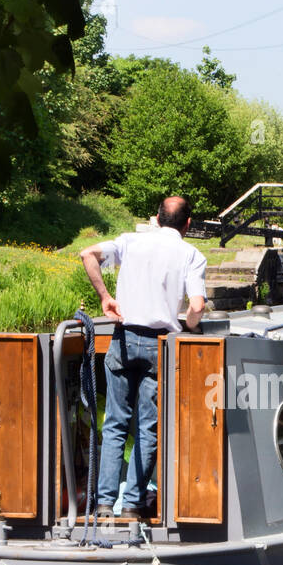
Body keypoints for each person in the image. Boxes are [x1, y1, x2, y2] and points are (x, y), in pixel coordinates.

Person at [80, 196, 207, 522]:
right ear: (188, 224)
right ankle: (133, 506)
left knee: (115, 426)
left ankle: (105, 505)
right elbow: (197, 305)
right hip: (158, 346)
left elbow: (87, 254)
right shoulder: (191, 254)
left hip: (122, 341)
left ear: (156, 218)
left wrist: (106, 298)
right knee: (148, 429)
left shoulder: (130, 242)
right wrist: (189, 327)